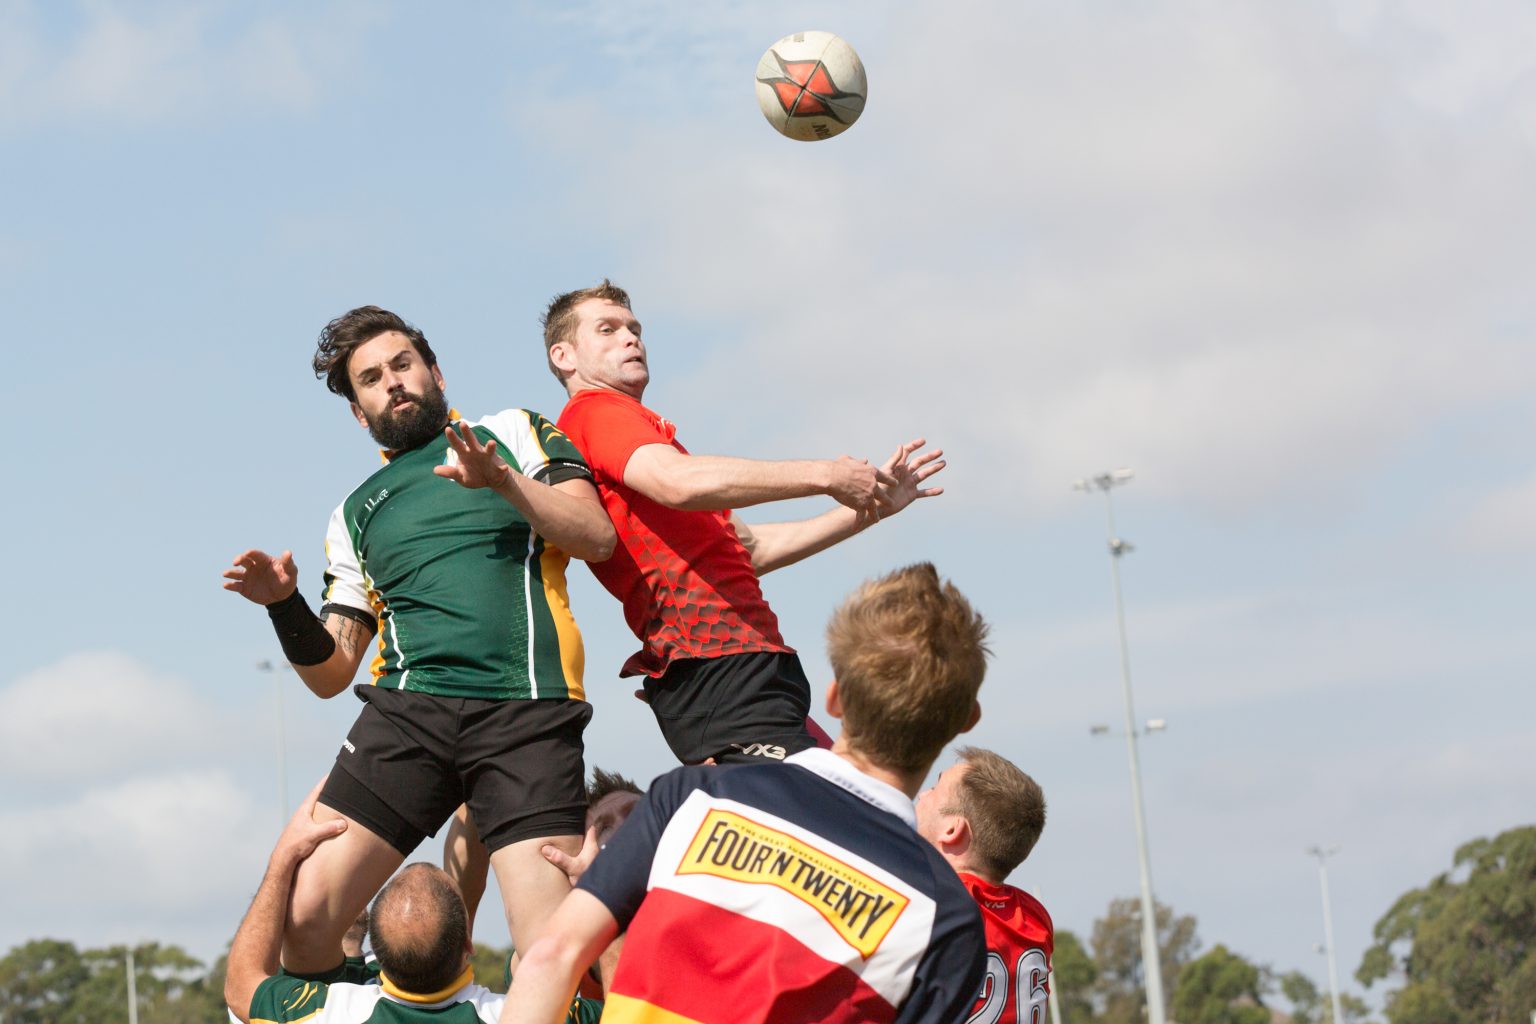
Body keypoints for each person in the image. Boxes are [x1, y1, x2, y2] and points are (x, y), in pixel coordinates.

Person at [223, 306, 616, 976]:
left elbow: (595, 534)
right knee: (304, 924)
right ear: (359, 411)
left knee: (555, 953)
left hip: (525, 715)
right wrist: (283, 606)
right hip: (411, 717)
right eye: (371, 379)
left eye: (402, 365)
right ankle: (406, 1014)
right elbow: (331, 672)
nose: (392, 383)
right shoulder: (354, 513)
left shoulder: (512, 433)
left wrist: (501, 480)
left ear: (434, 371)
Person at [502, 562, 992, 1024]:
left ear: (834, 696)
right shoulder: (947, 921)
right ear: (965, 719)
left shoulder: (690, 797)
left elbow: (550, 956)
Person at [542, 280, 945, 766]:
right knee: (808, 823)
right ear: (564, 356)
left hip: (751, 663)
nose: (631, 339)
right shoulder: (597, 412)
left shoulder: (637, 428)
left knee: (833, 811)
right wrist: (826, 474)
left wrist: (870, 507)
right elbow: (678, 483)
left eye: (634, 329)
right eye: (607, 330)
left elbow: (748, 550)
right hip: (717, 667)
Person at [225, 780, 600, 1024]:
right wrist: (602, 885)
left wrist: (282, 859)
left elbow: (241, 986)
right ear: (468, 943)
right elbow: (627, 1013)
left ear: (379, 961)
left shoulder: (331, 1013)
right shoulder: (517, 1017)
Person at [917, 747, 1053, 1024]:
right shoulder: (1035, 917)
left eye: (934, 788)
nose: (921, 794)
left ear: (952, 830)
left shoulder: (933, 905)